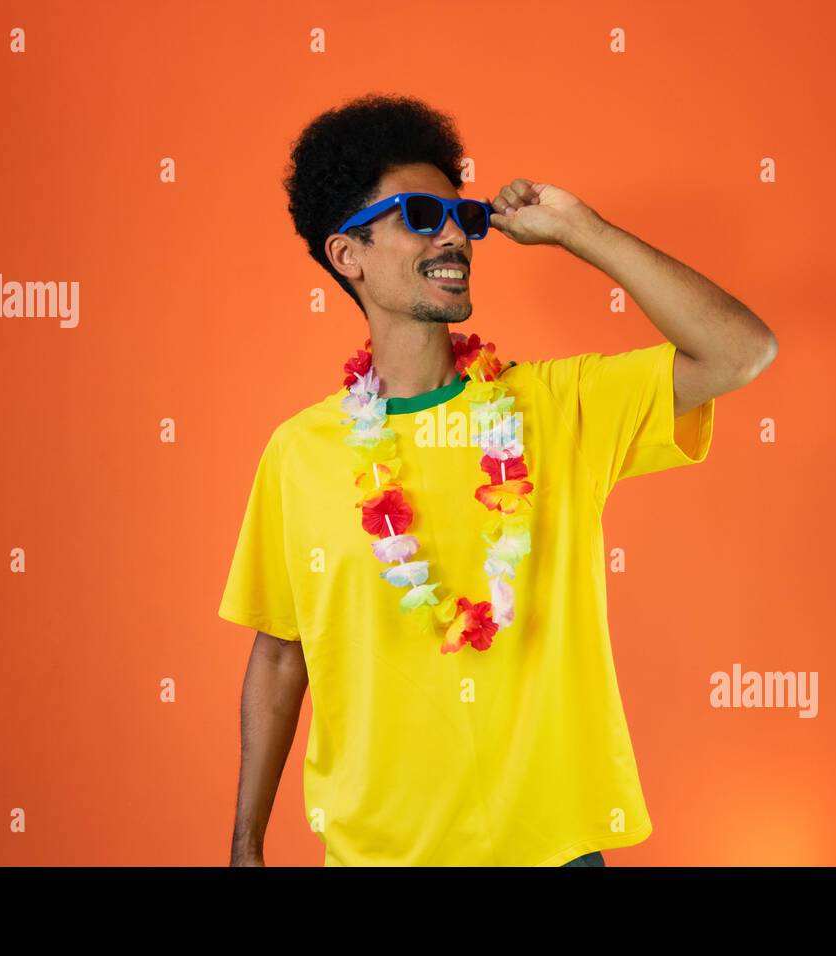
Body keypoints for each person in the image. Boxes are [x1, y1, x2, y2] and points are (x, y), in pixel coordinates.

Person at [220, 93, 777, 867]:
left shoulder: (556, 408)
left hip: (552, 854)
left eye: (464, 216)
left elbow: (740, 351)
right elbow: (281, 655)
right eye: (420, 214)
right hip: (375, 858)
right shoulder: (298, 453)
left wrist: (581, 230)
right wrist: (245, 844)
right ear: (347, 255)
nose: (455, 234)